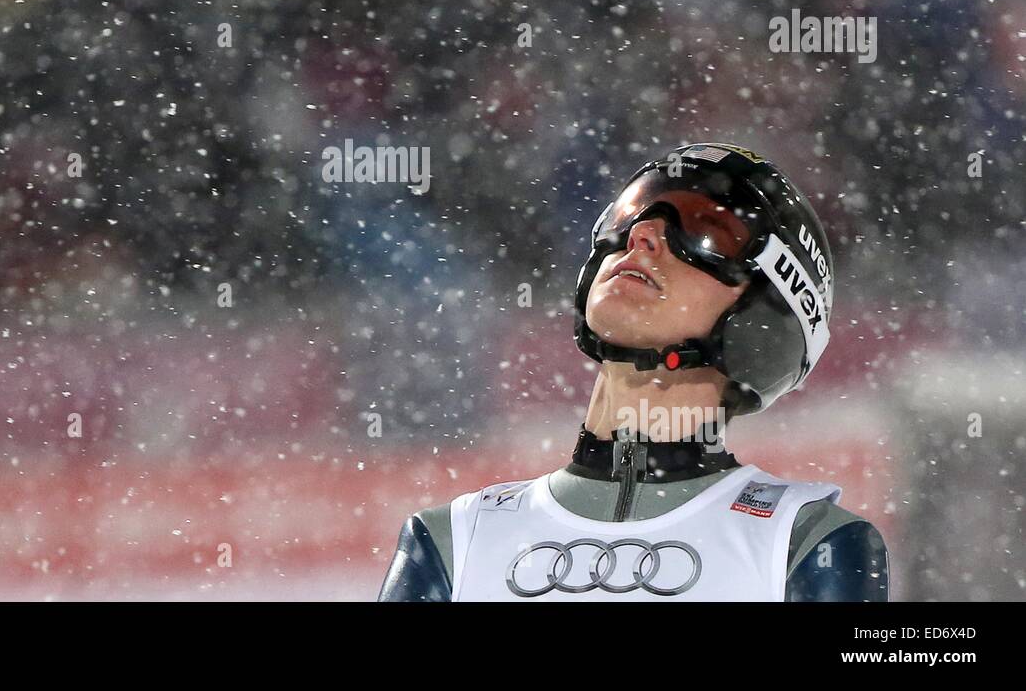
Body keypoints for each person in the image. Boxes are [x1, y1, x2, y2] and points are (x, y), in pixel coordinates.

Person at [378, 143, 888, 601]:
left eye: (705, 230)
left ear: (764, 319)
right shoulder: (451, 540)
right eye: (629, 217)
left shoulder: (806, 542)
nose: (641, 235)